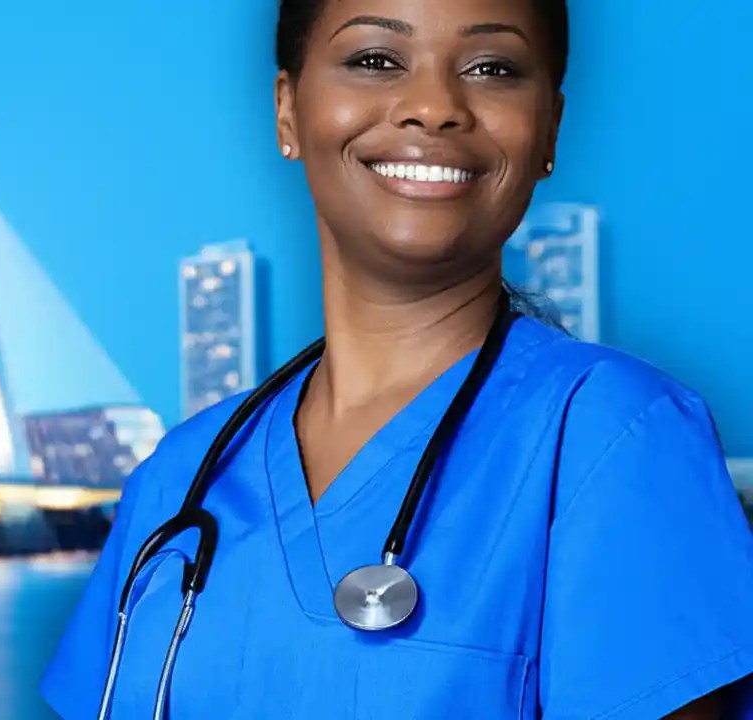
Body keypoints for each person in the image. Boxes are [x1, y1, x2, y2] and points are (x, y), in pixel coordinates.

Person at [40, 0, 753, 717]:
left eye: (492, 68)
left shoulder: (616, 437)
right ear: (287, 110)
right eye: (376, 60)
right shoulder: (179, 479)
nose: (434, 107)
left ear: (549, 130)